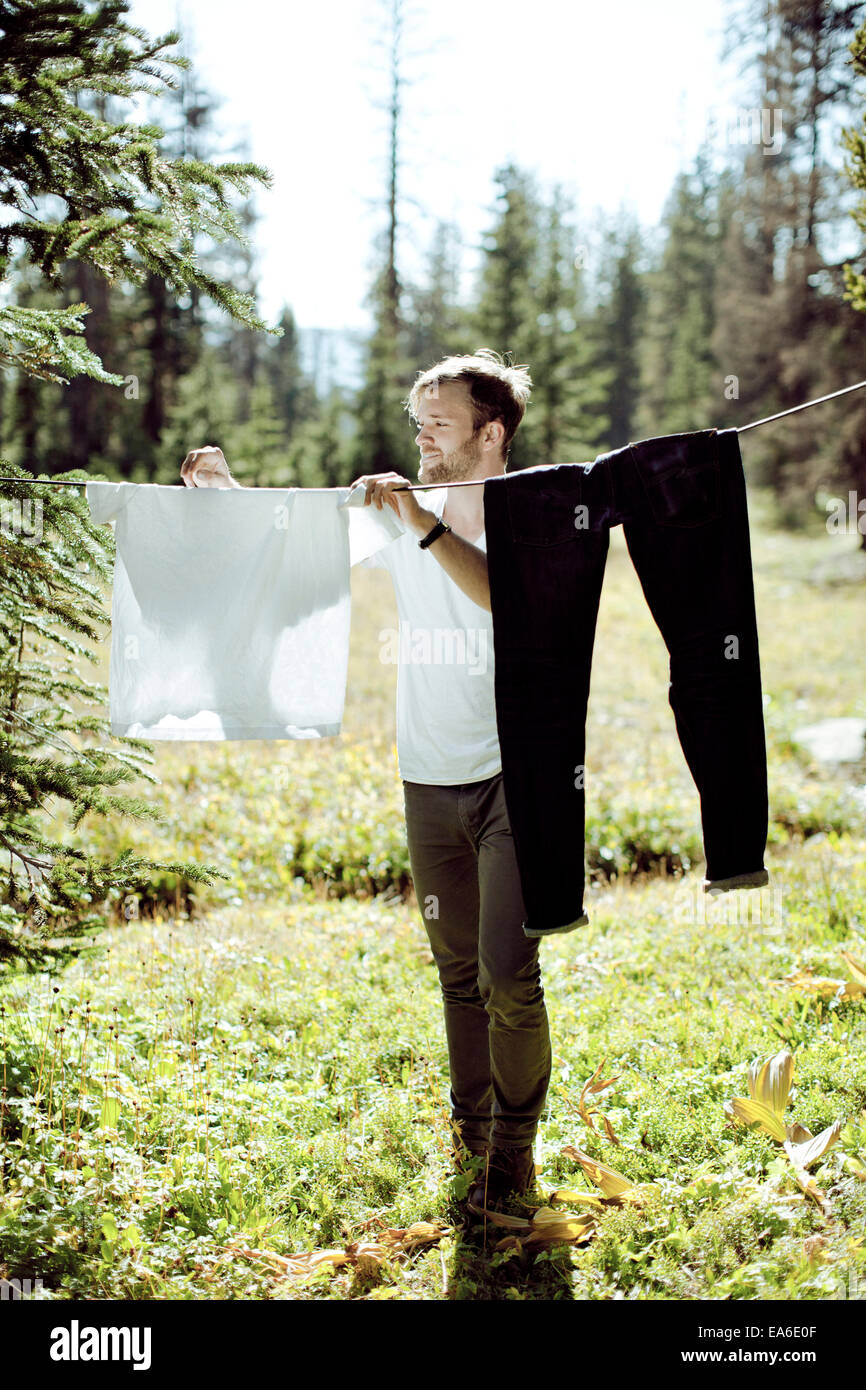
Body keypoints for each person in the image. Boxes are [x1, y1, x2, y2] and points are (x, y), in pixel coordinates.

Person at [180, 349, 551, 1215]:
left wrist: (422, 523)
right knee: (457, 970)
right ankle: (473, 1132)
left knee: (509, 973)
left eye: (439, 424)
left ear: (490, 434)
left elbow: (510, 599)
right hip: (426, 776)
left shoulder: (534, 514)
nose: (420, 437)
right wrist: (227, 496)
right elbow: (297, 552)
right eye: (417, 422)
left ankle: (515, 1156)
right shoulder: (398, 517)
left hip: (515, 777)